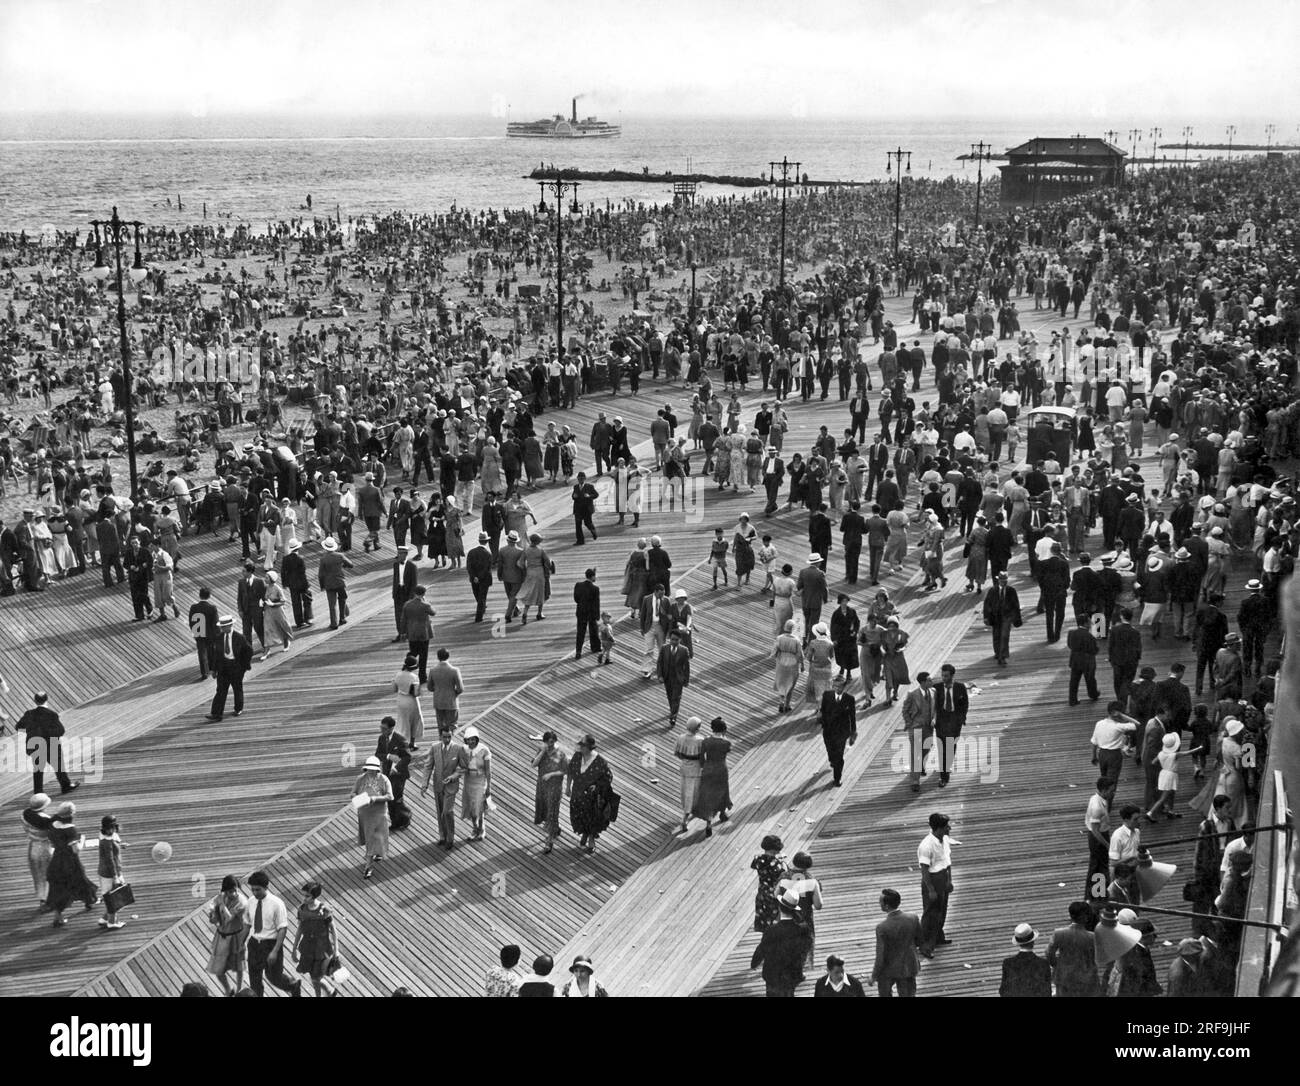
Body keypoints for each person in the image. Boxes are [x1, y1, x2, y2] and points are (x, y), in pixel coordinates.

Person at [244, 870, 302, 997]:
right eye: (252, 890)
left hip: (270, 944)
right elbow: (248, 924)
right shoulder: (250, 902)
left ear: (266, 887)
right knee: (254, 980)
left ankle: (293, 985)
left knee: (274, 977)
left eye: (258, 890)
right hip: (254, 944)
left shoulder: (277, 904)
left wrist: (275, 951)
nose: (254, 893)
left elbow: (282, 928)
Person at [10, 691, 78, 794]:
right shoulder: (52, 714)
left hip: (35, 745)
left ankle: (38, 793)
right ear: (46, 700)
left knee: (38, 770)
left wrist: (31, 731)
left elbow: (18, 727)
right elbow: (61, 730)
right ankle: (65, 786)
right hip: (52, 745)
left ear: (35, 701)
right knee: (58, 766)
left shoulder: (29, 714)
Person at [44, 800, 97, 927]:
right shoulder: (71, 830)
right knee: (81, 880)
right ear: (71, 813)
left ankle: (58, 916)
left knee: (58, 887)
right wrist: (82, 839)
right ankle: (89, 901)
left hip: (57, 859)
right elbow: (76, 849)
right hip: (70, 861)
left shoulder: (53, 824)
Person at [749, 889, 807, 997]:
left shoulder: (771, 930)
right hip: (791, 975)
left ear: (780, 907)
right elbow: (803, 951)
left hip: (773, 975)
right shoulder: (801, 930)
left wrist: (754, 963)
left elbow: (762, 949)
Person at [421, 723, 469, 850]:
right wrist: (424, 784)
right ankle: (442, 836)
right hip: (438, 785)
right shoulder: (434, 747)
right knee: (440, 811)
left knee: (447, 811)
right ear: (440, 736)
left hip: (451, 786)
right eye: (445, 737)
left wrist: (453, 776)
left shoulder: (459, 749)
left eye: (449, 737)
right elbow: (428, 766)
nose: (447, 740)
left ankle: (450, 838)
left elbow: (464, 768)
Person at [567, 733, 614, 853]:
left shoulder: (600, 762)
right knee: (579, 815)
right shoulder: (577, 756)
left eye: (583, 746)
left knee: (592, 817)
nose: (580, 748)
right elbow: (571, 771)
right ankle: (584, 833)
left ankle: (591, 838)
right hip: (577, 793)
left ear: (589, 747)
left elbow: (607, 778)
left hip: (592, 797)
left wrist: (596, 785)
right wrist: (568, 787)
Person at [870, 887, 922, 997]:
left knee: (884, 991)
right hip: (909, 964)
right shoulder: (913, 918)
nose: (879, 903)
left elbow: (880, 955)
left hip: (890, 967)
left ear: (886, 906)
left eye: (880, 902)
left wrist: (874, 976)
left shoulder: (882, 927)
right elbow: (920, 940)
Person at [292, 881, 338, 997]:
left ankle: (328, 991)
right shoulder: (302, 909)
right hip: (307, 948)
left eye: (307, 896)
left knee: (315, 977)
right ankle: (329, 991)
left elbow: (333, 930)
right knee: (315, 977)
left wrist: (336, 950)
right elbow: (300, 929)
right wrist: (294, 948)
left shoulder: (324, 910)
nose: (304, 899)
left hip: (320, 949)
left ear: (315, 896)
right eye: (303, 895)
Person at [917, 812, 954, 957]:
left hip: (943, 877)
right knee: (930, 913)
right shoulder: (926, 845)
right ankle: (925, 945)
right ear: (938, 828)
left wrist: (949, 880)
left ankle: (938, 936)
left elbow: (947, 861)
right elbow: (924, 869)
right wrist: (930, 889)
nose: (949, 829)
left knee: (942, 910)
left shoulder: (944, 840)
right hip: (932, 879)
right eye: (946, 827)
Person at [1046, 901, 1101, 996]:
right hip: (1086, 979)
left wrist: (1057, 965)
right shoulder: (1092, 937)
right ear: (1085, 917)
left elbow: (1048, 953)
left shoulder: (1059, 933)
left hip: (1064, 977)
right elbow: (1097, 958)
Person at [206, 874, 249, 995]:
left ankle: (239, 989)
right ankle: (228, 990)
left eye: (235, 890)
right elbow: (213, 916)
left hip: (235, 937)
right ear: (225, 890)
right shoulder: (221, 898)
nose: (234, 894)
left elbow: (229, 918)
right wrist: (213, 913)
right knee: (217, 969)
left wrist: (222, 904)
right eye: (230, 891)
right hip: (222, 937)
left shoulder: (242, 902)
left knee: (239, 966)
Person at [353, 756, 393, 880]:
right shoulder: (360, 779)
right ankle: (370, 862)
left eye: (373, 769)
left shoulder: (384, 779)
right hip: (365, 813)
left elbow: (390, 796)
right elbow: (352, 793)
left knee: (379, 836)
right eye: (369, 769)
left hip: (379, 813)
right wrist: (359, 798)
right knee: (370, 838)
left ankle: (372, 860)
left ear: (377, 769)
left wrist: (374, 799)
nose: (370, 771)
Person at [207, 615, 253, 722]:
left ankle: (238, 708)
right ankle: (216, 714)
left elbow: (249, 651)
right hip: (223, 668)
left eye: (225, 626)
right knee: (220, 691)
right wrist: (213, 669)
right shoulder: (218, 638)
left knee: (237, 688)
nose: (222, 629)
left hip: (236, 667)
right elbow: (216, 655)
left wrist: (244, 666)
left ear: (231, 625)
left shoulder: (239, 637)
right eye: (222, 627)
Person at [693, 717, 733, 836]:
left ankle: (708, 822)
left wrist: (703, 767)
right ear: (724, 730)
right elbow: (728, 750)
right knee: (722, 791)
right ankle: (722, 813)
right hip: (721, 769)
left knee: (708, 795)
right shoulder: (726, 742)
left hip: (708, 769)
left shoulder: (706, 741)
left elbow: (701, 757)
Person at [818, 673, 857, 786]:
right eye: (834, 686)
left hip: (842, 732)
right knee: (831, 752)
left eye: (839, 686)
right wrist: (821, 721)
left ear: (844, 687)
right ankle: (832, 760)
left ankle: (837, 778)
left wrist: (853, 732)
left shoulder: (849, 699)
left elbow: (852, 717)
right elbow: (823, 710)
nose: (836, 689)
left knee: (839, 756)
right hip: (828, 731)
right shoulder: (826, 695)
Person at [933, 664, 969, 786]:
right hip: (941, 722)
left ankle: (946, 768)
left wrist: (961, 719)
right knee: (942, 748)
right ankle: (944, 776)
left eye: (946, 676)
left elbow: (965, 704)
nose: (943, 678)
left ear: (952, 675)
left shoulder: (960, 687)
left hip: (954, 722)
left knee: (950, 747)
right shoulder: (936, 688)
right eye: (942, 675)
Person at [532, 731, 567, 853]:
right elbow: (534, 764)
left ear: (555, 741)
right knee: (545, 809)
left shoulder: (561, 754)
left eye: (551, 742)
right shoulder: (542, 751)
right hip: (542, 787)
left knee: (552, 812)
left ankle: (549, 841)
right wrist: (542, 751)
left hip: (554, 788)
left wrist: (551, 774)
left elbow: (565, 770)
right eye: (547, 742)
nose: (549, 744)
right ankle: (555, 829)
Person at [1090, 701, 1139, 789]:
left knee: (1104, 778)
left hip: (1102, 754)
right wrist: (1123, 716)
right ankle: (1108, 801)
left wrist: (1094, 756)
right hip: (1114, 755)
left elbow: (1094, 742)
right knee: (1112, 781)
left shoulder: (1099, 723)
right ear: (1116, 713)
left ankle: (1103, 798)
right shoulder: (1118, 726)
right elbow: (1137, 724)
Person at [1000, 923, 1052, 997]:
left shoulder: (1007, 963)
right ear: (1033, 942)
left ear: (1018, 943)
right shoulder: (1043, 964)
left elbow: (1003, 991)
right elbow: (1047, 992)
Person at [21, 793, 54, 909]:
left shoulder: (24, 815)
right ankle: (48, 899)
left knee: (37, 875)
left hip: (32, 846)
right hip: (44, 848)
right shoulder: (46, 820)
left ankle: (42, 898)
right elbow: (52, 835)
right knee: (48, 874)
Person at [982, 571, 1023, 666]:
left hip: (1007, 617)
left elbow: (1016, 605)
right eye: (1001, 580)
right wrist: (986, 617)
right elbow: (987, 604)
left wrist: (1017, 618)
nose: (1003, 582)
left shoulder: (1011, 591)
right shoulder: (992, 590)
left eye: (1005, 580)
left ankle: (1002, 657)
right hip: (995, 617)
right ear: (998, 580)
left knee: (1004, 636)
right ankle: (997, 652)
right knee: (996, 636)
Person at [750, 834, 788, 932]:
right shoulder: (777, 864)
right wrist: (782, 862)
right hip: (773, 894)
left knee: (764, 919)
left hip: (762, 892)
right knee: (775, 920)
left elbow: (755, 865)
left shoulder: (757, 858)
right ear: (775, 850)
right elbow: (784, 875)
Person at [461, 726, 492, 841]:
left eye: (473, 739)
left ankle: (482, 829)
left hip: (480, 781)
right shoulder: (464, 749)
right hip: (469, 780)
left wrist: (488, 786)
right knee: (471, 807)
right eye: (469, 739)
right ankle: (475, 828)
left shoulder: (484, 750)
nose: (471, 741)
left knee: (479, 807)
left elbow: (488, 771)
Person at [96, 813, 127, 929]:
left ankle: (105, 918)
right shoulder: (107, 842)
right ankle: (112, 922)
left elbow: (114, 844)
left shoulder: (107, 837)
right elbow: (110, 860)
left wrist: (120, 845)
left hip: (109, 872)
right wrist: (116, 876)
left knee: (111, 896)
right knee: (114, 896)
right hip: (109, 873)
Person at [674, 717, 704, 834]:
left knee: (685, 792)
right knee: (693, 794)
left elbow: (678, 754)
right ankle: (685, 819)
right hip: (695, 770)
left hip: (684, 768)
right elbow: (703, 757)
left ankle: (687, 813)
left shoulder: (680, 738)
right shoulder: (700, 740)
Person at [402, 585, 436, 685]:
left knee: (413, 652)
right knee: (423, 655)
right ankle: (422, 677)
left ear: (414, 593)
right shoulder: (425, 605)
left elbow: (403, 619)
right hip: (424, 632)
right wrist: (427, 601)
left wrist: (403, 632)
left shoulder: (407, 604)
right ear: (424, 594)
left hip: (412, 632)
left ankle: (405, 670)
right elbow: (433, 613)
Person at [318, 536, 354, 629]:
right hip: (340, 581)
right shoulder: (340, 556)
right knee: (342, 599)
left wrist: (322, 586)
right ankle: (342, 618)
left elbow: (321, 574)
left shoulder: (323, 559)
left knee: (332, 604)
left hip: (329, 583)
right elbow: (351, 564)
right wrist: (343, 566)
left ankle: (334, 624)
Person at [657, 628, 691, 727]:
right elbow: (660, 662)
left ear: (680, 640)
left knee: (676, 698)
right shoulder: (664, 648)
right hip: (667, 677)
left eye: (676, 640)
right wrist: (660, 675)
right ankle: (673, 710)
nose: (674, 641)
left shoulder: (684, 650)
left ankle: (673, 716)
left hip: (678, 678)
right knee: (670, 696)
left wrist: (686, 680)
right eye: (672, 639)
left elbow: (686, 667)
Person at [427, 647, 463, 732]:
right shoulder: (454, 670)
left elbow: (429, 687)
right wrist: (454, 693)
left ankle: (441, 742)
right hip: (451, 701)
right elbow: (460, 688)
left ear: (438, 657)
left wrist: (437, 690)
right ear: (448, 656)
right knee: (452, 725)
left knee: (441, 726)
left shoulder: (432, 670)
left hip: (438, 701)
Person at [1067, 617, 1101, 704]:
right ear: (1085, 623)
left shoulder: (1071, 633)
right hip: (1087, 661)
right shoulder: (1089, 636)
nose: (1091, 624)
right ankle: (1093, 694)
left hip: (1075, 660)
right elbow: (1094, 650)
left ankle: (1072, 699)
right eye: (1089, 622)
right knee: (1090, 679)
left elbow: (1069, 645)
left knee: (1074, 680)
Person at [189, 586, 220, 680]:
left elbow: (191, 621)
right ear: (209, 596)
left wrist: (195, 632)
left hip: (199, 632)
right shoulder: (212, 608)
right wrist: (218, 634)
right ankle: (212, 668)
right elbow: (215, 623)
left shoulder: (194, 607)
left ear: (199, 595)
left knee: (202, 652)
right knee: (212, 651)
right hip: (210, 633)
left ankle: (204, 672)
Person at [466, 530, 494, 623]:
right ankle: (479, 615)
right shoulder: (488, 554)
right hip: (484, 579)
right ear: (486, 541)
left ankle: (481, 607)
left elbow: (469, 567)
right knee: (482, 596)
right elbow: (487, 568)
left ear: (479, 541)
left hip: (473, 578)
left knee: (477, 594)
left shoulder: (471, 552)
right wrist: (480, 577)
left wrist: (474, 577)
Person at [574, 567, 601, 659]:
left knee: (580, 632)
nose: (595, 578)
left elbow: (576, 599)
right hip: (591, 613)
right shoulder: (595, 589)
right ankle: (595, 647)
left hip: (581, 611)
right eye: (595, 576)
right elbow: (596, 603)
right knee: (593, 631)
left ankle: (578, 651)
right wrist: (597, 615)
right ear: (592, 577)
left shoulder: (578, 585)